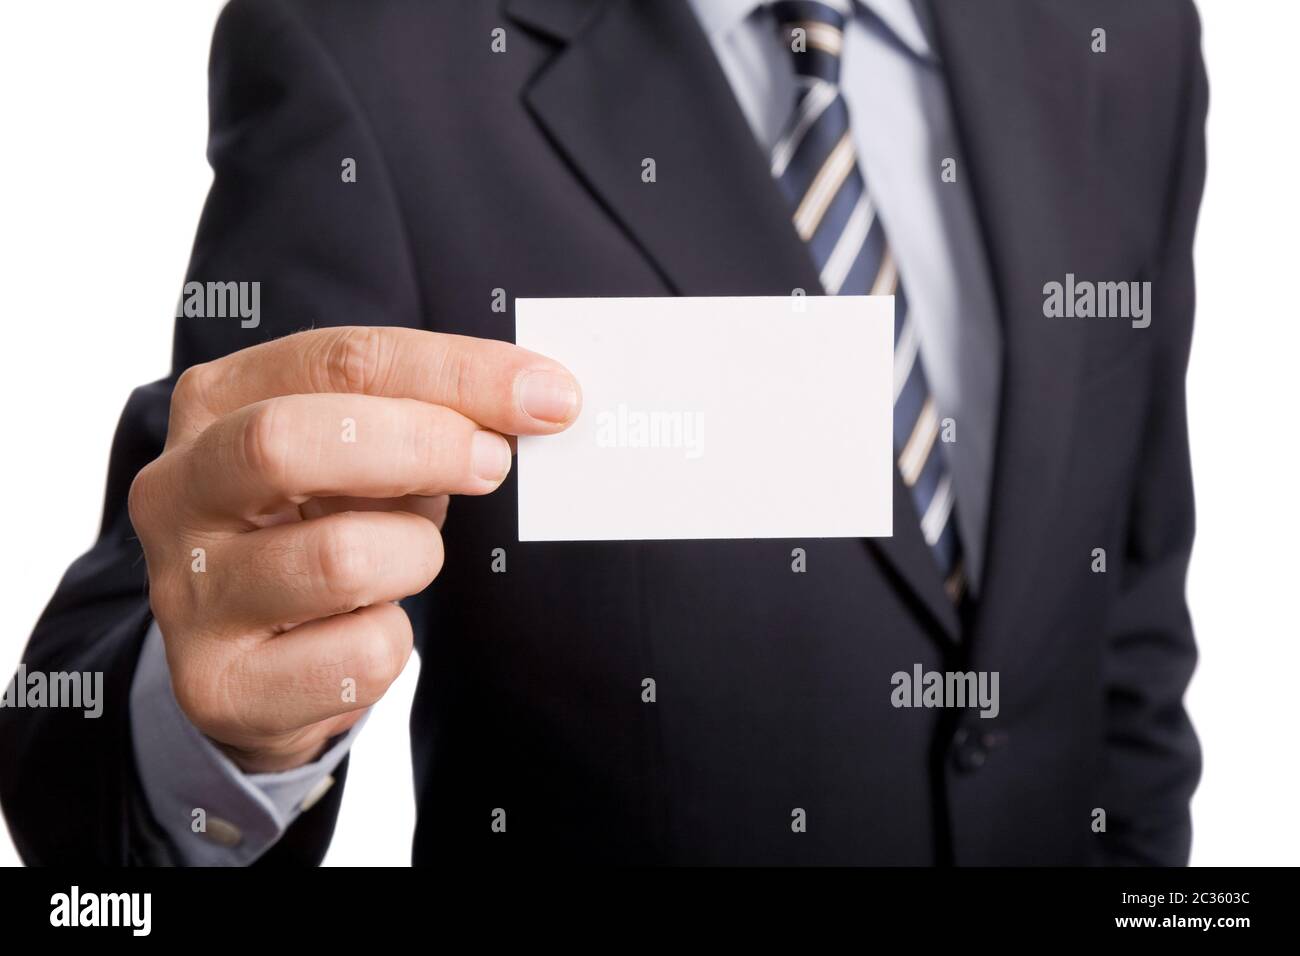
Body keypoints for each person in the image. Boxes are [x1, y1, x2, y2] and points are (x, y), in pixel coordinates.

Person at [0, 0, 1206, 865]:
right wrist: (215, 731)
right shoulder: (363, 50)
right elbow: (86, 765)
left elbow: (1128, 616)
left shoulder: (1126, 35)